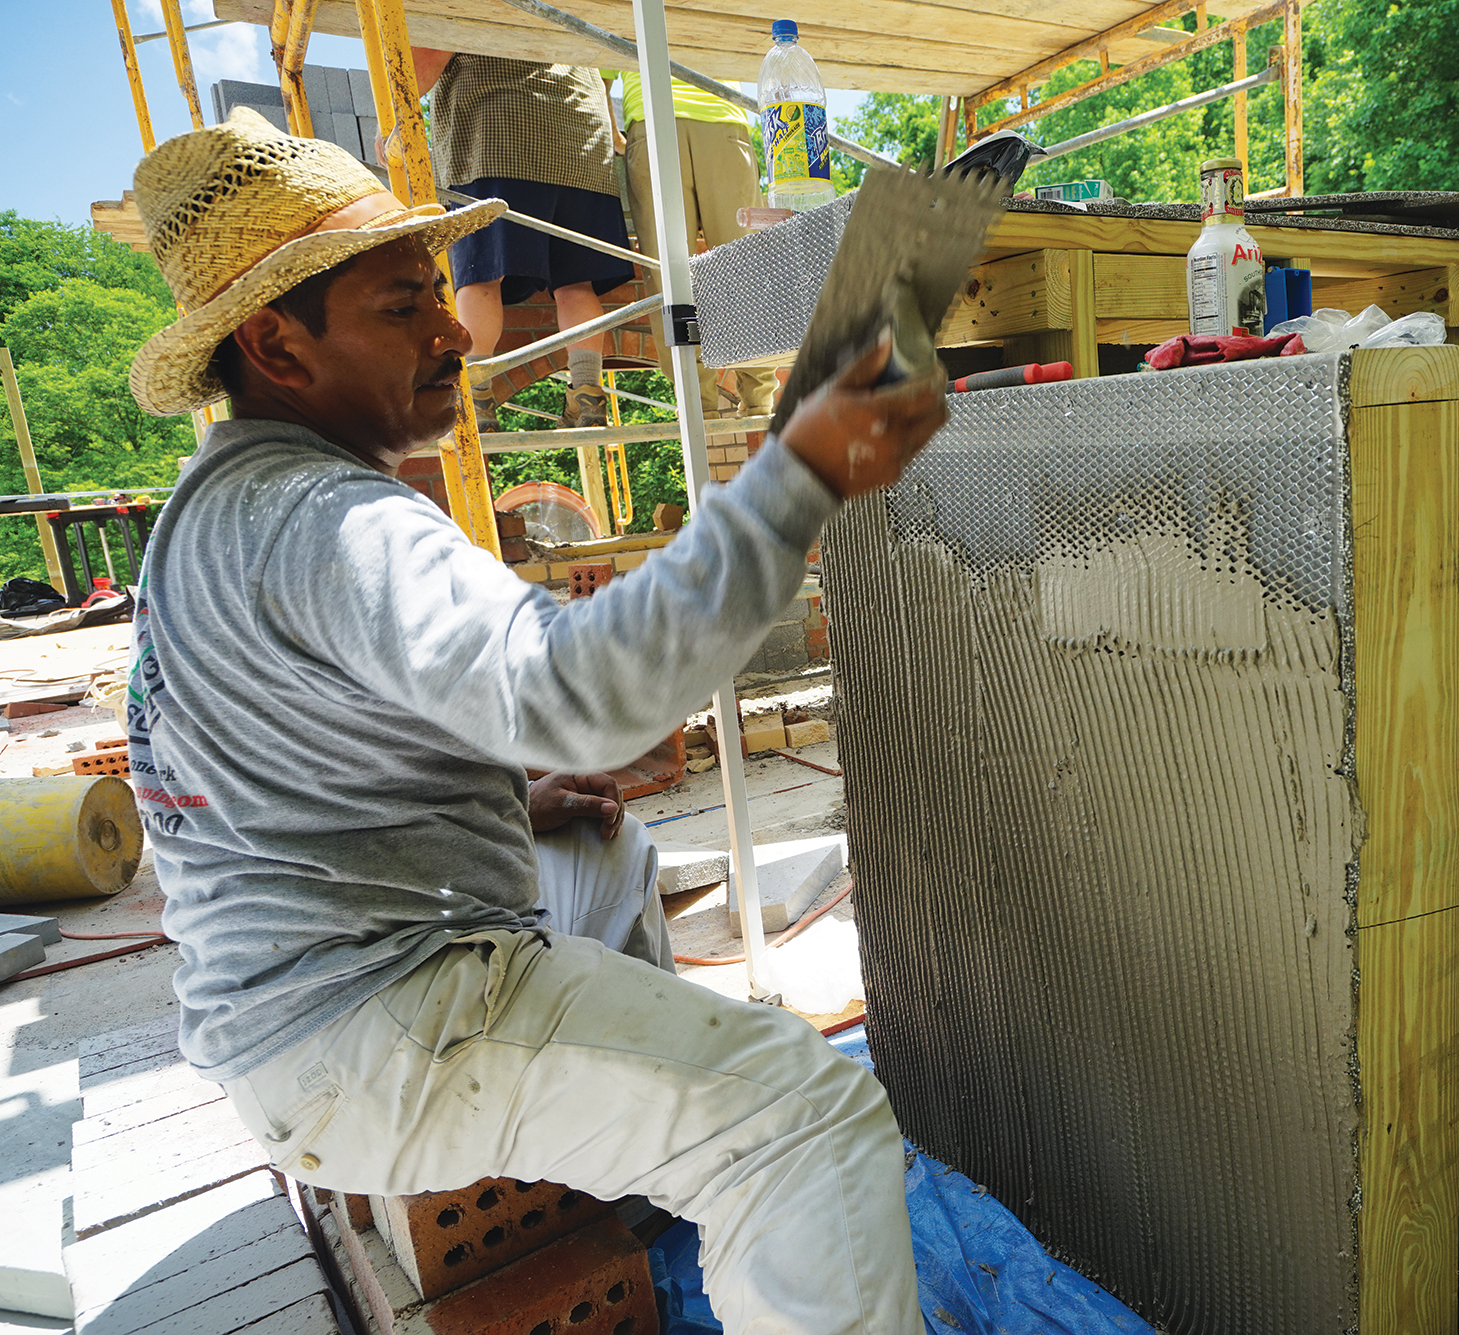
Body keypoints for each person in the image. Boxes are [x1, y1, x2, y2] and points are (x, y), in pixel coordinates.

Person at [124, 108, 946, 1333]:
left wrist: (507, 799)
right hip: (378, 1024)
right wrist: (805, 464)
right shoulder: (327, 522)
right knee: (807, 1115)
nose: (454, 331)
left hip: (283, 1015)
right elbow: (572, 698)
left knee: (598, 846)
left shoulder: (212, 517)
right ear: (276, 346)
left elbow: (274, 770)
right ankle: (736, 1160)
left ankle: (660, 1153)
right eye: (403, 307)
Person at [407, 52, 630, 431]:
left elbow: (428, 56)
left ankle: (476, 395)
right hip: (580, 138)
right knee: (577, 284)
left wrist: (392, 118)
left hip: (498, 129)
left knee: (481, 274)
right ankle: (587, 394)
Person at [602, 70, 780, 421]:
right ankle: (758, 396)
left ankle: (698, 400)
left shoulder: (621, 11)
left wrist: (615, 132)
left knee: (670, 278)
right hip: (720, 121)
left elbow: (601, 76)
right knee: (743, 268)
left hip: (653, 126)